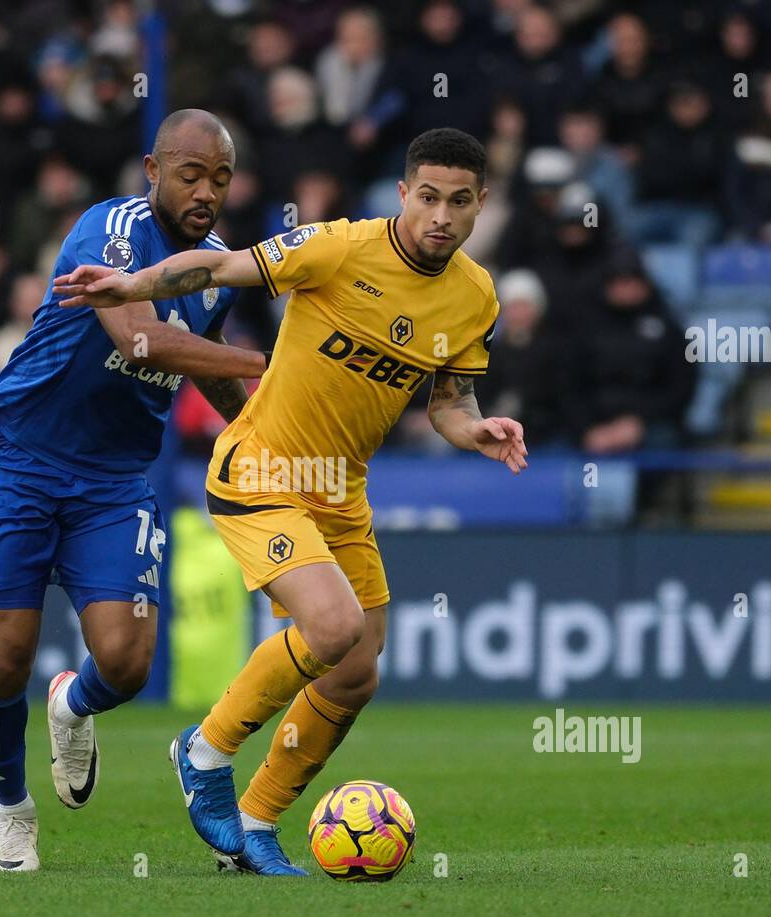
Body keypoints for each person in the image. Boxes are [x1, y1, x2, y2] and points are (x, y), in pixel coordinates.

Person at [54, 128, 528, 875]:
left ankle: (256, 821)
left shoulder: (476, 296)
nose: (441, 215)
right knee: (333, 625)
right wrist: (134, 287)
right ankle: (203, 750)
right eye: (428, 197)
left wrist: (477, 430)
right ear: (403, 195)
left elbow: (448, 400)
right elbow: (220, 264)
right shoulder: (339, 247)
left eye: (459, 202)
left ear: (480, 205)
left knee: (357, 669)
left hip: (342, 494)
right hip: (262, 472)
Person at [0, 109, 266, 873]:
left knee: (127, 662)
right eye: (191, 173)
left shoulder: (218, 264)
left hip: (114, 480)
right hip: (19, 457)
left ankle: (73, 703)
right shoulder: (113, 229)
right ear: (153, 170)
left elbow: (207, 360)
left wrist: (268, 429)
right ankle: (12, 809)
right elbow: (138, 337)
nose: (206, 191)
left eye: (220, 178)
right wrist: (270, 364)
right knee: (3, 662)